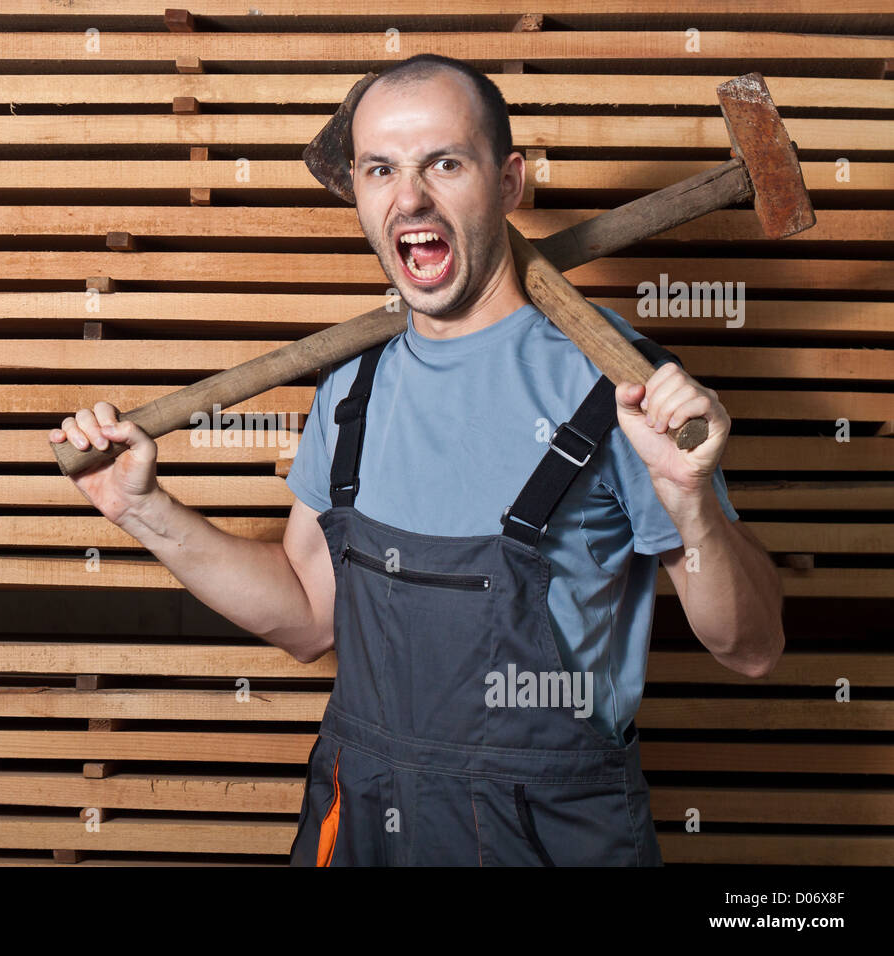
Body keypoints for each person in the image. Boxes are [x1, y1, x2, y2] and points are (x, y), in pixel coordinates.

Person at [49, 53, 785, 866]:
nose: (410, 198)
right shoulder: (353, 393)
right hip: (363, 815)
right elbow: (304, 617)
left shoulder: (626, 392)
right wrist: (141, 509)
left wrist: (691, 505)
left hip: (547, 835)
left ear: (509, 182)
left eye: (444, 162)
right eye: (379, 169)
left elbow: (751, 648)